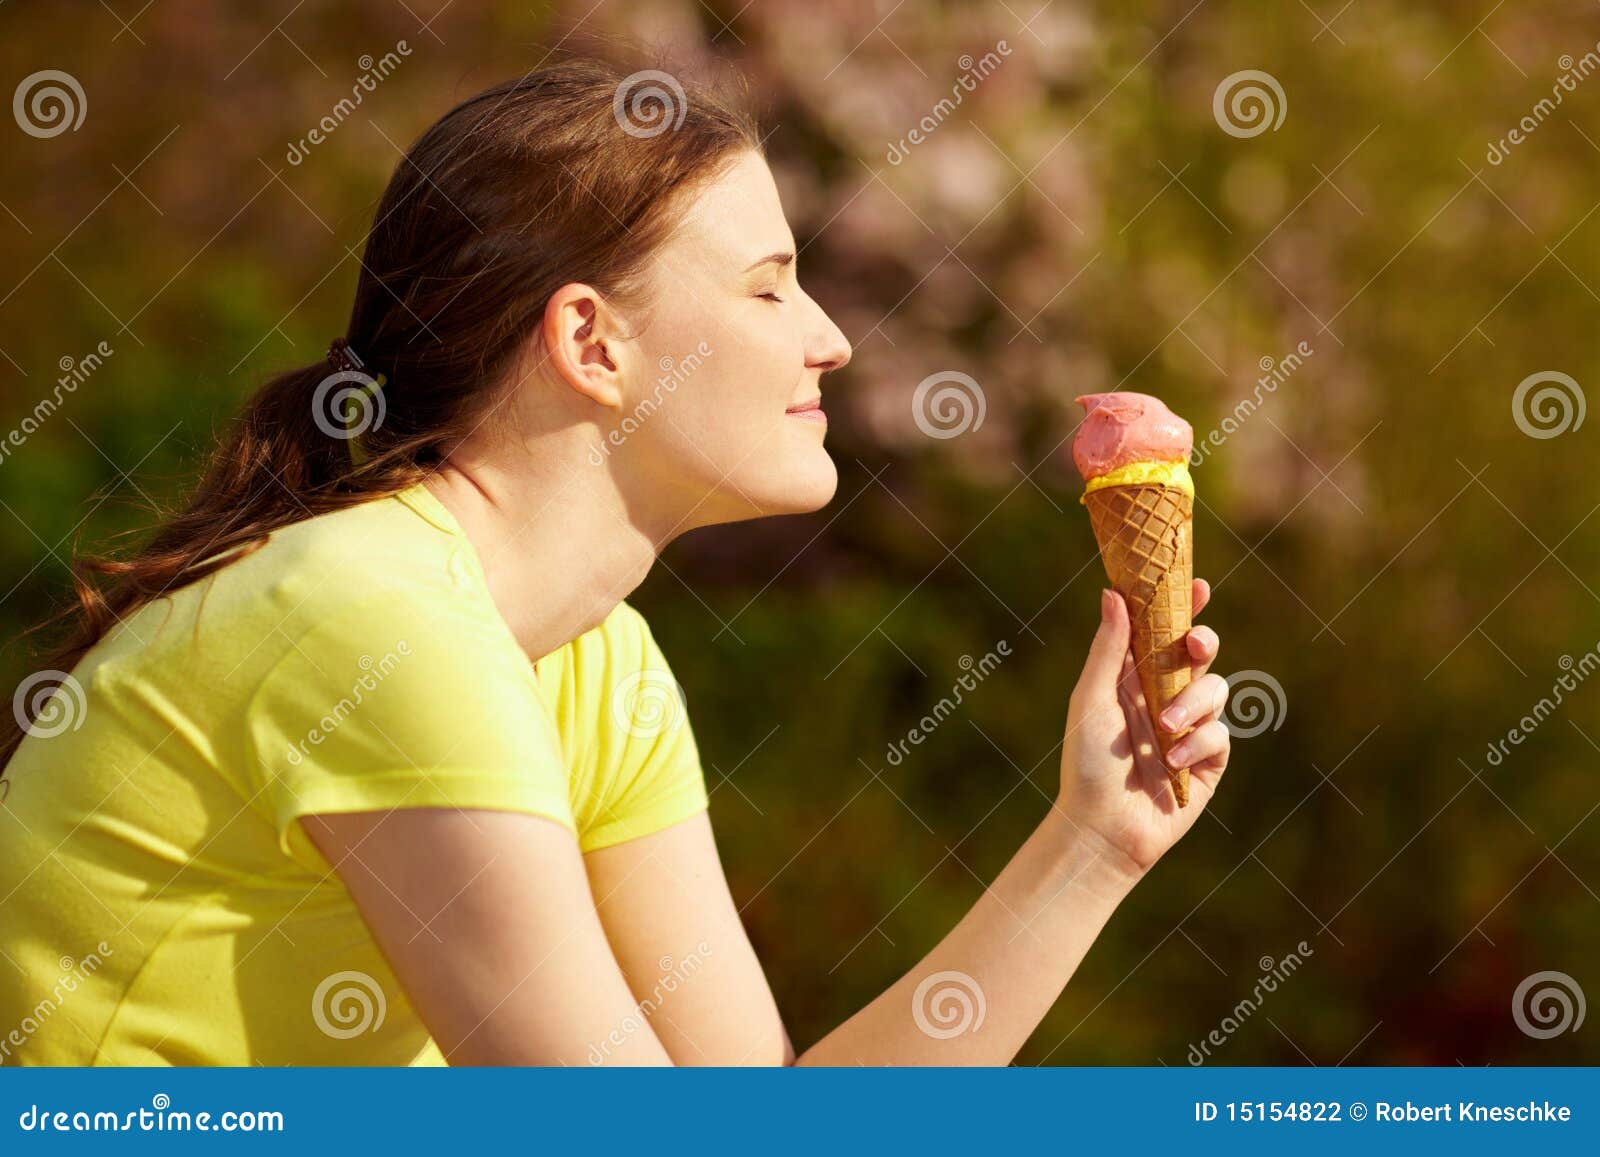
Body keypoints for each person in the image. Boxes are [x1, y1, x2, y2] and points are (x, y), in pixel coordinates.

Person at [0, 57, 1230, 1066]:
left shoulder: (599, 667)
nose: (833, 339)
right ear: (590, 341)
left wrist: (1091, 844)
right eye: (768, 289)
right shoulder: (377, 620)